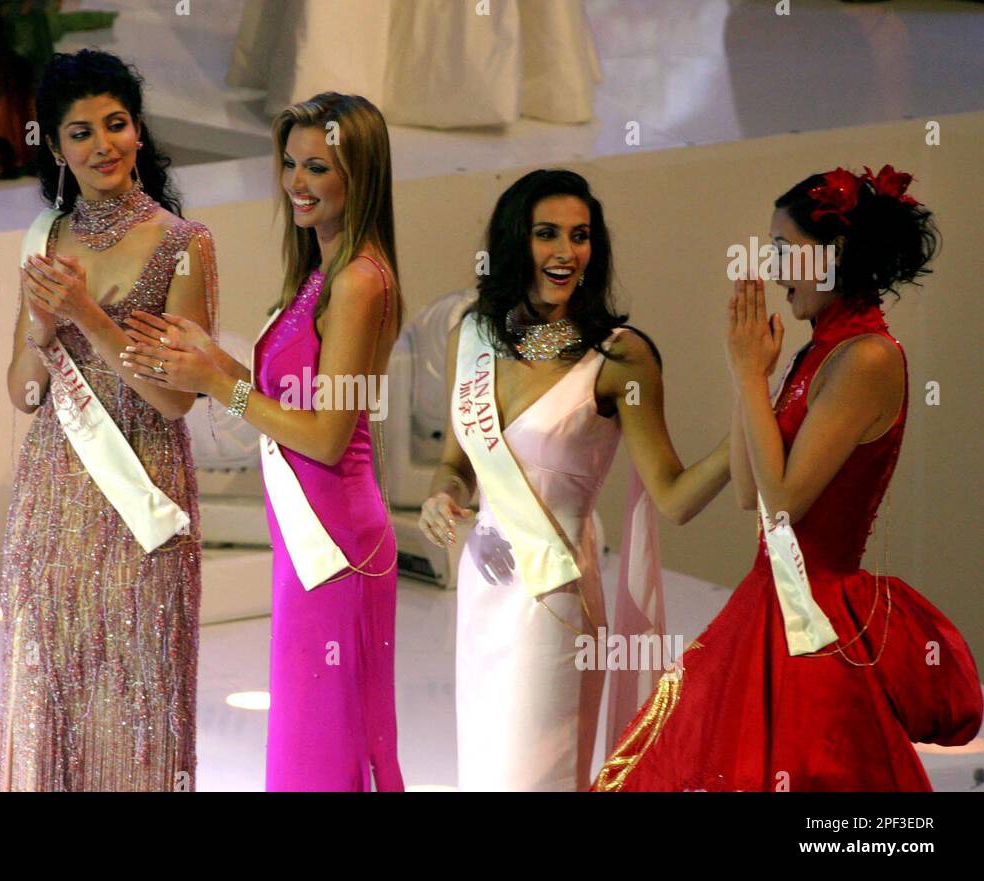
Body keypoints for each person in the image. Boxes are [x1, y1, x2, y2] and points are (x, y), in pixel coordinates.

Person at [594, 166, 983, 791]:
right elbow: (751, 492)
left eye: (784, 250)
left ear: (836, 255)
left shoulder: (869, 358)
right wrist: (744, 373)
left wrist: (750, 377)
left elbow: (781, 505)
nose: (774, 270)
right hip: (768, 602)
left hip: (814, 623)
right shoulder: (817, 351)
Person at [121, 92, 404, 791]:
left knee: (329, 753)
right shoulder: (321, 273)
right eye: (289, 164)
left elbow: (329, 436)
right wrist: (212, 361)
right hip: (308, 544)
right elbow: (292, 403)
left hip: (334, 545)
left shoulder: (361, 282)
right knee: (309, 748)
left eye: (318, 167)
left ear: (359, 176)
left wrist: (219, 384)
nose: (297, 183)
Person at [417, 169, 731, 791]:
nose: (566, 252)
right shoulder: (472, 336)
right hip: (483, 587)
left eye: (580, 236)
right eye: (546, 234)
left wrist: (748, 427)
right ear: (515, 242)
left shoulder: (620, 357)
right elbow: (457, 465)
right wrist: (442, 495)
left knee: (532, 776)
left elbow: (672, 495)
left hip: (554, 596)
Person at [0, 50, 217, 791]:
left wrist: (86, 314)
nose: (103, 146)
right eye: (81, 132)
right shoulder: (44, 239)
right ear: (55, 148)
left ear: (140, 130)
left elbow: (176, 398)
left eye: (116, 125)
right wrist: (40, 325)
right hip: (51, 496)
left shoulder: (184, 245)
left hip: (142, 493)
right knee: (50, 692)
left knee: (136, 701)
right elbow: (24, 393)